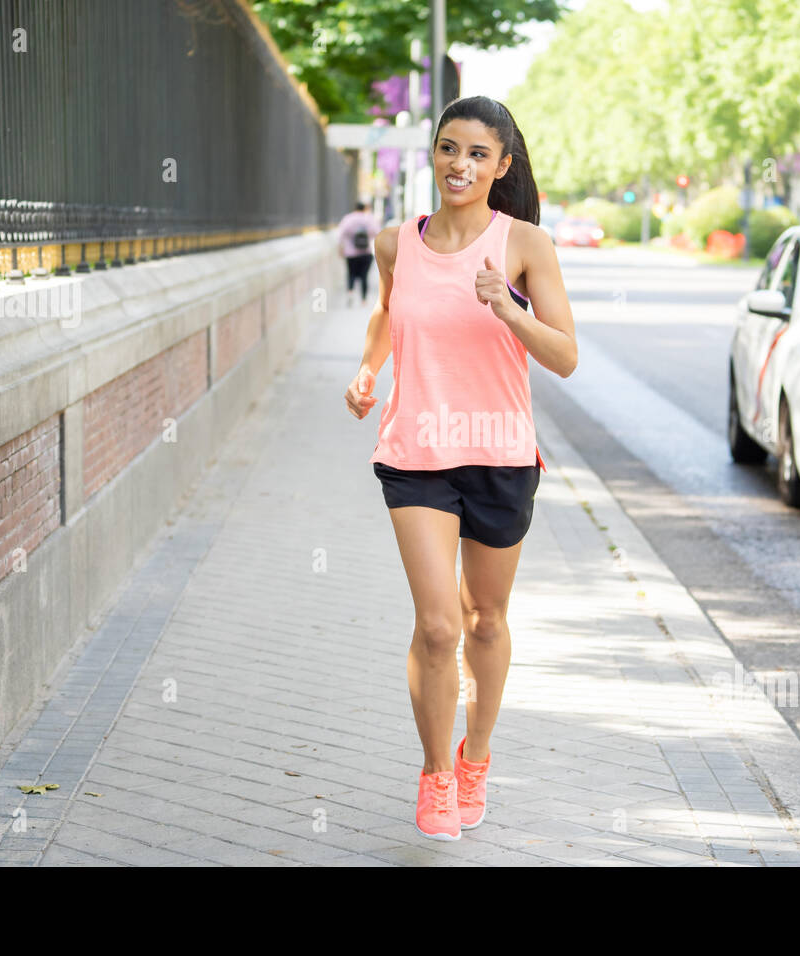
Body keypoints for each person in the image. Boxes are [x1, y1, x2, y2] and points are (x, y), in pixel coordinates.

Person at [344, 95, 577, 841]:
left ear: (502, 165)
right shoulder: (393, 243)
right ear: (432, 153)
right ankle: (436, 776)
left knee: (486, 619)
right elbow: (389, 311)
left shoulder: (527, 245)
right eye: (450, 148)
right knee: (439, 627)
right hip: (416, 453)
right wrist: (366, 368)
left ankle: (476, 756)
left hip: (502, 454)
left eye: (479, 154)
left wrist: (509, 309)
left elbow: (566, 357)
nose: (460, 164)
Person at [337, 201, 381, 306]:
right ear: (364, 208)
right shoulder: (369, 219)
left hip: (350, 253)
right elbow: (377, 233)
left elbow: (340, 234)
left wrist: (340, 248)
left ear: (355, 208)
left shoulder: (348, 218)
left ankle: (350, 292)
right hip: (366, 252)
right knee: (364, 276)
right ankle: (364, 300)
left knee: (351, 273)